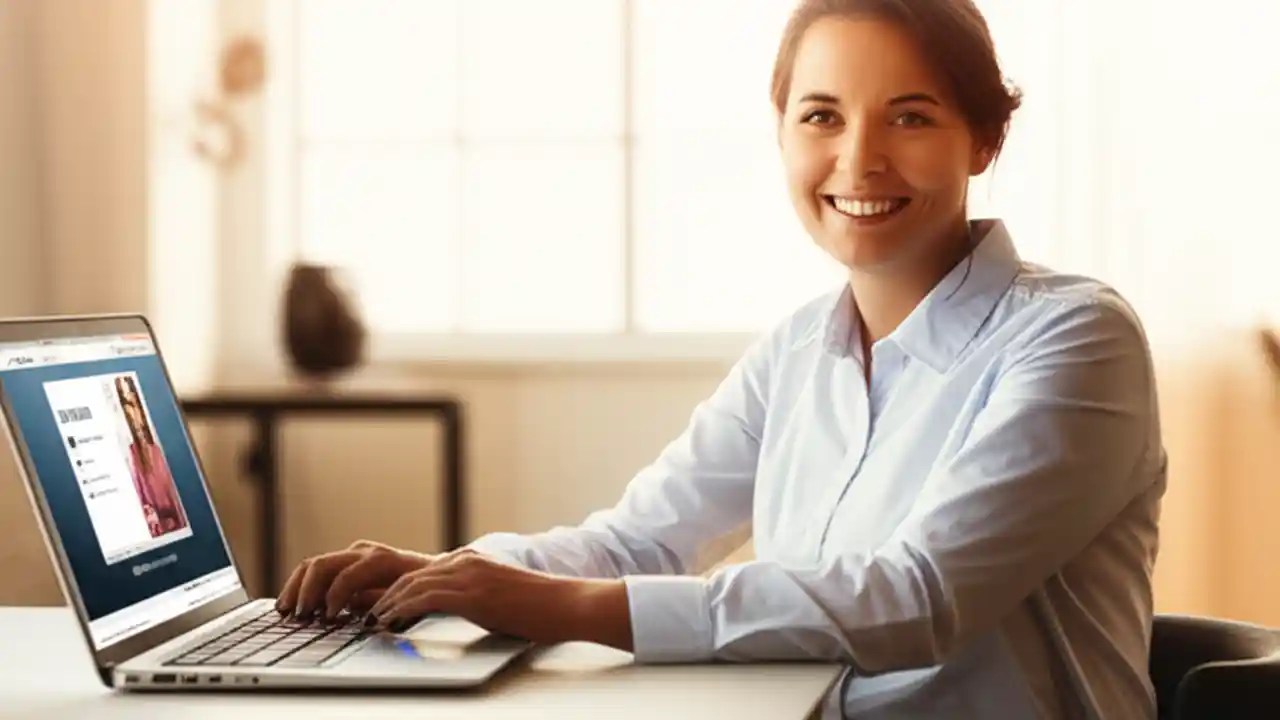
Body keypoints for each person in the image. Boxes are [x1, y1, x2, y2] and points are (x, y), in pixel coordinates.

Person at [275, 1, 1166, 717]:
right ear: (783, 135)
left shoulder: (1076, 339)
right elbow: (640, 541)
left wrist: (548, 605)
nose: (859, 158)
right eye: (822, 116)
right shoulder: (798, 351)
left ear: (983, 140)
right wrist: (449, 573)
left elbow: (917, 599)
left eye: (911, 117)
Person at [116, 377, 187, 536]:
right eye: (127, 403)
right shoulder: (135, 455)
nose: (132, 410)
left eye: (133, 399)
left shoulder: (160, 449)